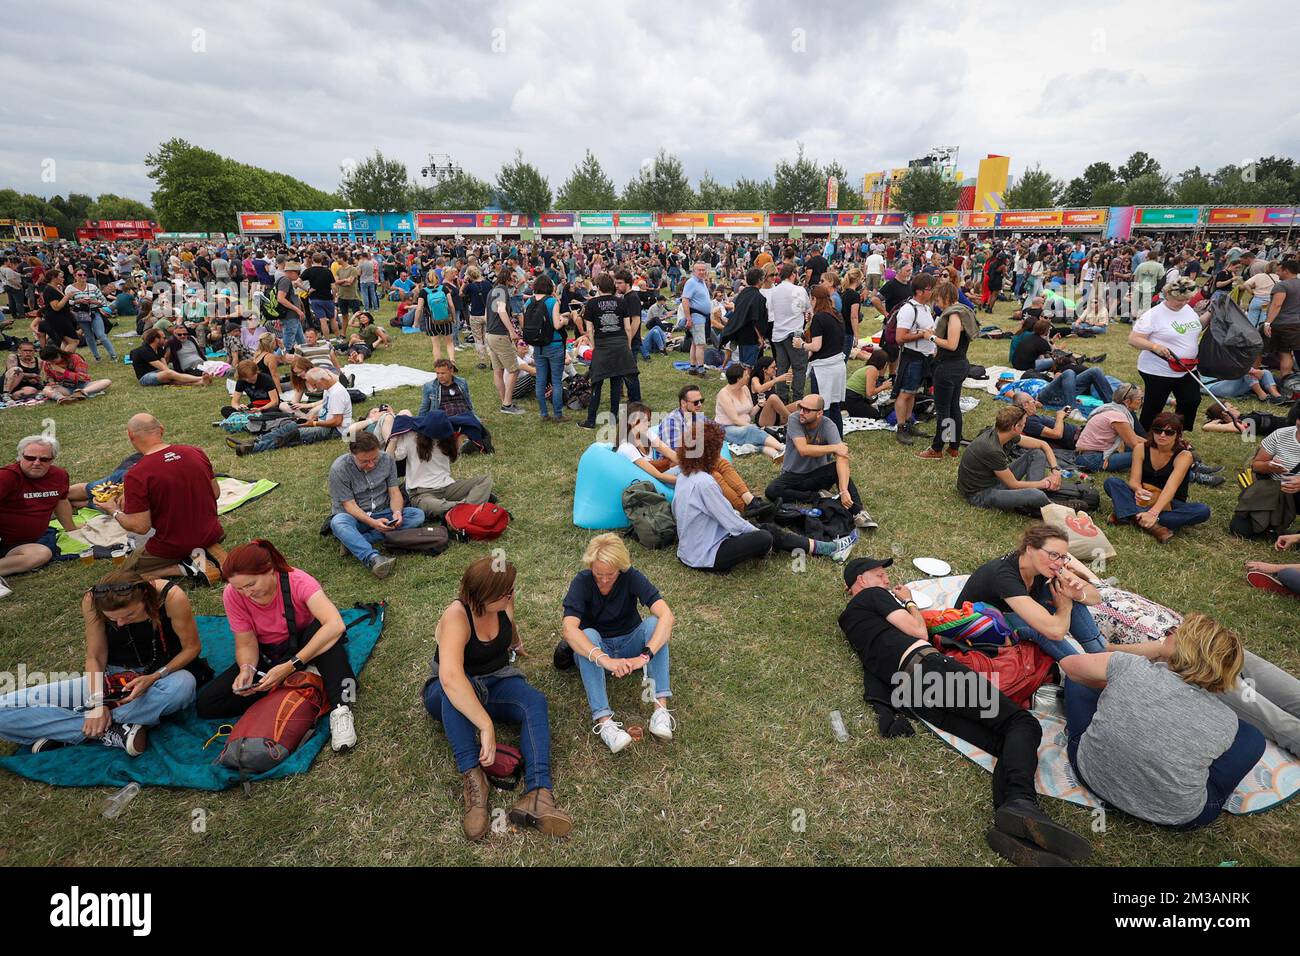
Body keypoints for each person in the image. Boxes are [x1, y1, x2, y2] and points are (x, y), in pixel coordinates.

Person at [838, 556, 1091, 867]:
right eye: (880, 575)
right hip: (932, 673)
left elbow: (871, 665)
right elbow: (918, 631)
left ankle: (1013, 829)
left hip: (914, 694)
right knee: (1022, 723)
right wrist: (908, 603)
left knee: (1006, 742)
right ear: (860, 581)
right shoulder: (871, 595)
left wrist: (886, 711)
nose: (887, 582)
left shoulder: (850, 621)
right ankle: (1023, 804)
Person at [1059, 614, 1265, 829]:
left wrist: (1121, 690)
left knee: (1080, 682)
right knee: (1253, 739)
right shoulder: (1226, 721)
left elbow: (1071, 666)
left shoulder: (1130, 666)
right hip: (1173, 815)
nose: (1169, 631)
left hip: (1090, 773)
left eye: (1177, 630)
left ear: (1186, 646)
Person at [422, 556, 573, 841]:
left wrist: (516, 642)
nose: (512, 596)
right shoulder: (457, 616)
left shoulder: (502, 603)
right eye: (506, 593)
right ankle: (474, 780)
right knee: (453, 693)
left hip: (495, 681)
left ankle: (539, 795)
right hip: (447, 690)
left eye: (511, 591)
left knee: (534, 701)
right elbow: (451, 678)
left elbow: (509, 624)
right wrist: (485, 726)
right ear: (484, 595)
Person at [0, 571, 204, 756]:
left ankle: (69, 729)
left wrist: (154, 677)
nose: (121, 623)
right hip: (111, 680)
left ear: (144, 597)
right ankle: (110, 730)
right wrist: (98, 703)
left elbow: (192, 648)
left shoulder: (170, 596)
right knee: (3, 708)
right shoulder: (91, 600)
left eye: (129, 615)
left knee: (184, 685)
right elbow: (95, 657)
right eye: (113, 620)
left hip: (162, 677)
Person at [195, 539, 357, 752]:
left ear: (270, 571)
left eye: (251, 584)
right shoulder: (233, 595)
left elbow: (335, 623)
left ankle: (341, 707)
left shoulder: (298, 581)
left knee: (327, 635)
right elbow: (246, 643)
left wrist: (291, 665)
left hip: (306, 644)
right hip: (270, 653)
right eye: (238, 588)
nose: (246, 593)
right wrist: (247, 669)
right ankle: (291, 683)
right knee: (206, 704)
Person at [672, 422, 857, 571]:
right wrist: (761, 532)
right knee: (765, 536)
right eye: (718, 450)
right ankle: (830, 549)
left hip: (689, 549)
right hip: (705, 555)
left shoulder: (684, 475)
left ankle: (823, 548)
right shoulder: (705, 483)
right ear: (710, 452)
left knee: (765, 529)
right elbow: (732, 524)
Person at [561, 534, 676, 752]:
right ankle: (604, 722)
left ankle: (660, 710)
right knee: (588, 634)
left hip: (630, 643)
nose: (604, 580)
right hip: (596, 651)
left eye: (610, 575)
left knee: (654, 623)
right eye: (598, 574)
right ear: (590, 567)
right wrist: (605, 660)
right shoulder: (581, 582)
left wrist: (643, 657)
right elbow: (568, 629)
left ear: (621, 568)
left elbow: (667, 616)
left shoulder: (631, 577)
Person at [94, 414, 225, 583]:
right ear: (161, 429)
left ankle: (184, 568)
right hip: (212, 532)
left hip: (172, 546)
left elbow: (140, 527)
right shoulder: (196, 452)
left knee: (119, 579)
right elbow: (215, 493)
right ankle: (205, 549)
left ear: (130, 435)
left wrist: (113, 511)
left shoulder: (137, 474)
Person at [956, 523, 1106, 662]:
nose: (1059, 563)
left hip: (1006, 618)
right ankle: (1082, 667)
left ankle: (1099, 651)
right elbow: (1056, 632)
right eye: (1053, 554)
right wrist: (1065, 606)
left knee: (1067, 590)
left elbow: (1096, 596)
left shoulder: (1045, 566)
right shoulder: (1004, 576)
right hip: (978, 630)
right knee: (1040, 623)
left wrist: (1078, 595)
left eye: (1063, 557)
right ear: (1029, 549)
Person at [765, 393, 877, 528]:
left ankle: (858, 512)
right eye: (800, 407)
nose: (801, 412)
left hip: (817, 475)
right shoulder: (794, 418)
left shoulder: (828, 425)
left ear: (819, 413)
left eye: (806, 410)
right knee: (771, 491)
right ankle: (818, 497)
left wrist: (843, 490)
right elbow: (803, 449)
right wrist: (834, 447)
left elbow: (842, 457)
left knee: (837, 467)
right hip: (793, 475)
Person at [327, 431, 424, 578]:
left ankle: (355, 541)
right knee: (338, 522)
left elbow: (394, 492)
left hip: (383, 512)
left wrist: (397, 512)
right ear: (351, 454)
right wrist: (373, 523)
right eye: (365, 461)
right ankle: (373, 559)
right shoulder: (339, 468)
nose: (371, 464)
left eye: (374, 459)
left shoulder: (387, 459)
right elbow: (349, 505)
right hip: (355, 516)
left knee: (416, 515)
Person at [1104, 412, 1210, 544]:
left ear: (1178, 434)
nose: (1162, 435)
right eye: (1158, 430)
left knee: (1202, 511)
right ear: (1152, 431)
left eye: (1169, 432)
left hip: (1170, 503)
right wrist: (1138, 489)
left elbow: (1170, 489)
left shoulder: (1184, 456)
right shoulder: (1140, 448)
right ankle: (1154, 527)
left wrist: (1153, 513)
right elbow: (1134, 481)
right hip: (1144, 497)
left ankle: (1128, 514)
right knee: (1112, 482)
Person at [957, 404, 1079, 514]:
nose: (1025, 424)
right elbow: (1013, 484)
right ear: (1015, 427)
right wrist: (1046, 483)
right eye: (1024, 422)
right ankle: (1052, 506)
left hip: (995, 481)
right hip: (979, 494)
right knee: (1034, 494)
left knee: (1036, 453)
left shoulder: (1003, 433)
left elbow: (1043, 445)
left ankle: (1031, 500)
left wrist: (1055, 470)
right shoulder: (992, 449)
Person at [1128, 277, 1210, 430]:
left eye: (1186, 299)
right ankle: (1145, 435)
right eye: (1179, 300)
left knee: (1191, 401)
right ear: (1168, 296)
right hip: (1159, 369)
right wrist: (1154, 346)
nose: (1184, 303)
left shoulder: (1187, 309)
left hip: (1187, 367)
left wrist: (1211, 314)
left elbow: (1196, 326)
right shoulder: (1153, 314)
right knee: (1154, 407)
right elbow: (1133, 339)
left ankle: (1177, 433)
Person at [0, 435, 76, 599]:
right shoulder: (7, 477)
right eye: (30, 457)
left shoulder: (60, 476)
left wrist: (72, 530)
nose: (36, 462)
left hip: (25, 543)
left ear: (52, 459)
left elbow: (61, 502)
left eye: (44, 459)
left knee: (42, 555)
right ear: (20, 456)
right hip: (3, 539)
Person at [387, 408, 493, 519]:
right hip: (421, 493)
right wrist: (394, 438)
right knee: (434, 506)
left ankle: (461, 508)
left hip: (447, 487)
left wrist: (461, 438)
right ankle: (468, 506)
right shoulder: (411, 436)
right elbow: (388, 459)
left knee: (485, 481)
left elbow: (453, 458)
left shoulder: (447, 437)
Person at [228, 367, 352, 456]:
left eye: (314, 384)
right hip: (325, 424)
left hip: (334, 431)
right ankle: (254, 442)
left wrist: (314, 424)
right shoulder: (329, 389)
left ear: (322, 379)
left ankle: (253, 448)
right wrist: (313, 418)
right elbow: (327, 410)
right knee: (289, 426)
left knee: (290, 435)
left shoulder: (337, 393)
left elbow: (337, 422)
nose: (314, 388)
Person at [918, 280, 977, 460]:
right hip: (959, 365)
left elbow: (951, 344)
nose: (936, 303)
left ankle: (937, 448)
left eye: (937, 300)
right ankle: (953, 446)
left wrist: (931, 337)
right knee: (953, 407)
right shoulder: (963, 311)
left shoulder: (953, 315)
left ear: (945, 297)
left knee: (944, 410)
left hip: (948, 367)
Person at [579, 272, 640, 429]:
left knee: (597, 383)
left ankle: (591, 420)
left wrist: (593, 346)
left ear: (598, 287)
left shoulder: (591, 304)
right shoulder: (621, 302)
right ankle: (613, 417)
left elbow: (590, 329)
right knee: (616, 381)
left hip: (602, 345)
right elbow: (627, 327)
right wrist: (626, 345)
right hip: (620, 344)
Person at [891, 273, 937, 445]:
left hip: (924, 356)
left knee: (913, 392)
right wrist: (922, 334)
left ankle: (909, 422)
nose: (931, 292)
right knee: (905, 392)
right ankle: (901, 427)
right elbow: (900, 337)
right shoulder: (909, 309)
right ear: (919, 291)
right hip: (913, 356)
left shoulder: (924, 307)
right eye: (929, 289)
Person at [801, 282, 848, 435]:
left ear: (814, 299)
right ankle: (837, 439)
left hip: (824, 369)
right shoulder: (835, 314)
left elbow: (816, 346)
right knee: (834, 406)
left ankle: (823, 442)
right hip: (837, 366)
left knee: (820, 408)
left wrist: (801, 344)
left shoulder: (819, 318)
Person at [1072, 382, 1146, 474]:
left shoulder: (1110, 408)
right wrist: (1155, 448)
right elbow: (1134, 443)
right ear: (1127, 401)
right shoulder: (1118, 416)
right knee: (1143, 453)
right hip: (1092, 459)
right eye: (1140, 399)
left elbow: (1132, 436)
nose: (1142, 401)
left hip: (1084, 455)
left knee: (1145, 448)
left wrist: (1152, 443)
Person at [714, 364, 784, 459]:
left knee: (752, 435)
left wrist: (759, 405)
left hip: (744, 427)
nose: (748, 376)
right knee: (752, 431)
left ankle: (775, 454)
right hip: (727, 428)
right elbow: (735, 420)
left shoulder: (745, 389)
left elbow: (750, 413)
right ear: (738, 379)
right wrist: (753, 427)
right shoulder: (724, 394)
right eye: (746, 375)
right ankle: (782, 447)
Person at [525, 274, 568, 422]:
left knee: (541, 380)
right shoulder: (551, 301)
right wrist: (565, 321)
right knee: (556, 381)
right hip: (554, 344)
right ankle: (557, 414)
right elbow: (556, 325)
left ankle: (544, 413)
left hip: (538, 345)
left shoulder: (529, 302)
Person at [768, 263, 810, 403]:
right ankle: (797, 399)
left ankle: (782, 398)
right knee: (799, 368)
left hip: (778, 332)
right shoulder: (799, 290)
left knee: (782, 368)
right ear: (793, 274)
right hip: (794, 333)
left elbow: (771, 310)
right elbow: (807, 308)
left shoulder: (774, 291)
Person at [486, 268, 524, 414]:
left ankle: (504, 401)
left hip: (490, 334)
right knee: (514, 369)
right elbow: (501, 311)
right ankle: (507, 404)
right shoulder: (501, 291)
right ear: (506, 276)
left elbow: (486, 313)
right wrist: (512, 331)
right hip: (499, 335)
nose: (515, 279)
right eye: (513, 276)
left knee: (498, 371)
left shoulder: (493, 291)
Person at [129, 328, 211, 387]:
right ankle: (199, 378)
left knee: (172, 377)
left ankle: (201, 382)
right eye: (163, 338)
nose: (166, 340)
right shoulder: (145, 351)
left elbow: (165, 365)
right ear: (156, 339)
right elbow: (165, 369)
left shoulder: (159, 349)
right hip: (145, 377)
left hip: (158, 373)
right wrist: (172, 374)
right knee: (170, 374)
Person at [1007, 391, 1080, 449]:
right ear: (1025, 405)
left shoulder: (1031, 417)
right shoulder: (1028, 422)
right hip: (1077, 438)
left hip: (1079, 433)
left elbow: (1052, 425)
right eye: (1033, 402)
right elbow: (1057, 434)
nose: (1035, 404)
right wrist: (1059, 417)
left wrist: (1061, 416)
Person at [38, 345, 112, 401]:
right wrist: (52, 382)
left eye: (53, 360)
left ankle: (81, 393)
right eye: (49, 361)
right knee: (46, 390)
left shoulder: (74, 358)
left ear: (59, 354)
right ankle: (62, 399)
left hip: (83, 385)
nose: (51, 363)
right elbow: (49, 375)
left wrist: (61, 370)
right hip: (65, 387)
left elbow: (83, 377)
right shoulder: (48, 363)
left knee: (106, 381)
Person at [680, 261, 712, 376]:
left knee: (695, 343)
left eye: (704, 270)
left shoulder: (701, 281)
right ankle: (701, 369)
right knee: (700, 345)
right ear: (694, 271)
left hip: (702, 317)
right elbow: (685, 300)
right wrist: (688, 318)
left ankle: (693, 367)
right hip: (696, 316)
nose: (702, 272)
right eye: (699, 270)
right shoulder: (691, 282)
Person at [748, 356, 793, 426]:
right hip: (763, 419)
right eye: (773, 367)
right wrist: (776, 380)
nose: (776, 369)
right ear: (764, 369)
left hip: (775, 415)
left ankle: (800, 423)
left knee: (799, 404)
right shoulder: (755, 379)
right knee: (773, 398)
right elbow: (760, 389)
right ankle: (793, 420)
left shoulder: (771, 377)